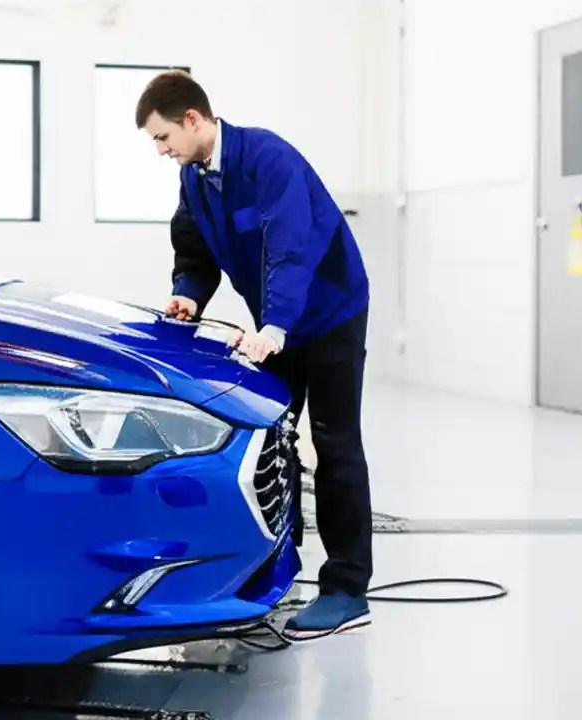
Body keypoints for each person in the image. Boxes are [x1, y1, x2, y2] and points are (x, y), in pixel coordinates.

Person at [135, 69, 373, 639]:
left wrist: (274, 326)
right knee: (273, 435)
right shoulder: (194, 178)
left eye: (163, 137)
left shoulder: (269, 158)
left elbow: (291, 246)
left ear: (193, 119)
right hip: (278, 319)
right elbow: (193, 250)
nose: (163, 151)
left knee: (335, 442)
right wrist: (187, 296)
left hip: (330, 312)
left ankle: (347, 589)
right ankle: (278, 562)